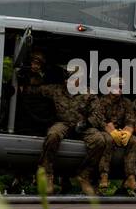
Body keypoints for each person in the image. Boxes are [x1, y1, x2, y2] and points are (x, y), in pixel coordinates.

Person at [18, 52, 102, 194]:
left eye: (72, 78)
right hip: (63, 123)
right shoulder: (56, 90)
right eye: (67, 78)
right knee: (53, 135)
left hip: (82, 125)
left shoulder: (89, 93)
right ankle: (47, 174)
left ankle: (84, 175)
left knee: (99, 140)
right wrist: (21, 85)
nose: (68, 81)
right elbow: (34, 91)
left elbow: (98, 115)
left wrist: (85, 125)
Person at [84, 74, 135, 194]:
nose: (118, 88)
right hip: (105, 131)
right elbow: (99, 120)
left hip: (121, 131)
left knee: (135, 142)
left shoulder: (126, 102)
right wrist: (111, 130)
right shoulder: (101, 101)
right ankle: (104, 175)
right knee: (108, 140)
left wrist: (127, 131)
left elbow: (130, 119)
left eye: (121, 86)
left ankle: (130, 178)